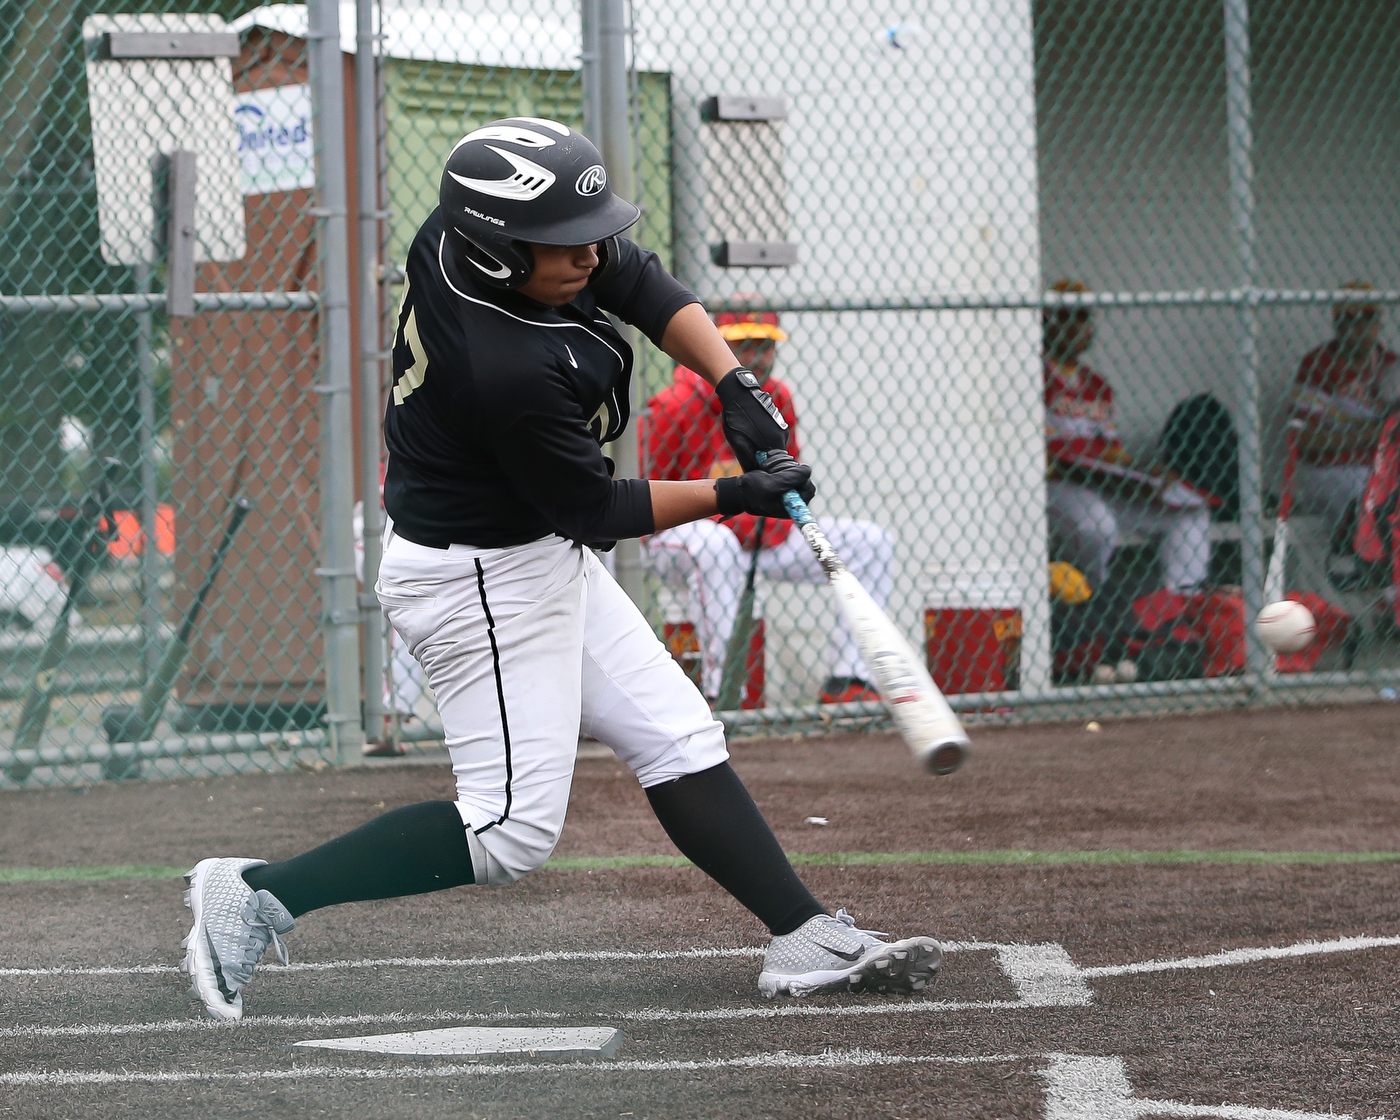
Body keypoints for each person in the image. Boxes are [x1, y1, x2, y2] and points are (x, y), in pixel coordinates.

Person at [179, 118, 942, 1021]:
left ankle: (802, 933)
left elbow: (640, 277)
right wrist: (737, 491)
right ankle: (256, 892)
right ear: (503, 253)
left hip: (532, 550)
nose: (591, 255)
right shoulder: (505, 366)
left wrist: (732, 383)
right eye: (565, 245)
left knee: (676, 735)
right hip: (478, 580)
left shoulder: (475, 234)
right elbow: (594, 509)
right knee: (506, 833)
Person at [643, 308, 895, 705]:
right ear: (718, 346)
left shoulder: (776, 397)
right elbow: (648, 493)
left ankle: (851, 681)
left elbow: (786, 476)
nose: (757, 357)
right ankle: (723, 695)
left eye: (765, 345)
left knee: (872, 542)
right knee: (715, 546)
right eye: (744, 345)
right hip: (681, 541)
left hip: (757, 537)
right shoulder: (674, 405)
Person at [1042, 279, 1210, 594]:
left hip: (1099, 484)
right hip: (1053, 485)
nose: (1079, 325)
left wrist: (1144, 474)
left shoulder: (1097, 385)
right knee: (1097, 525)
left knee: (1190, 512)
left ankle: (1182, 606)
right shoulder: (1031, 374)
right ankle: (1088, 601)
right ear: (1046, 320)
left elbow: (1112, 453)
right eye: (1067, 316)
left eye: (1084, 316)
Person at [1290, 282, 1399, 534]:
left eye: (1367, 318)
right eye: (1351, 320)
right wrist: (1373, 433)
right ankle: (1355, 566)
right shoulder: (1318, 365)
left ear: (1379, 321)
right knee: (1361, 500)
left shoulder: (1391, 365)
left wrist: (1354, 434)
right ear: (1337, 325)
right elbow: (1304, 440)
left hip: (1385, 471)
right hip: (1332, 471)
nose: (1360, 327)